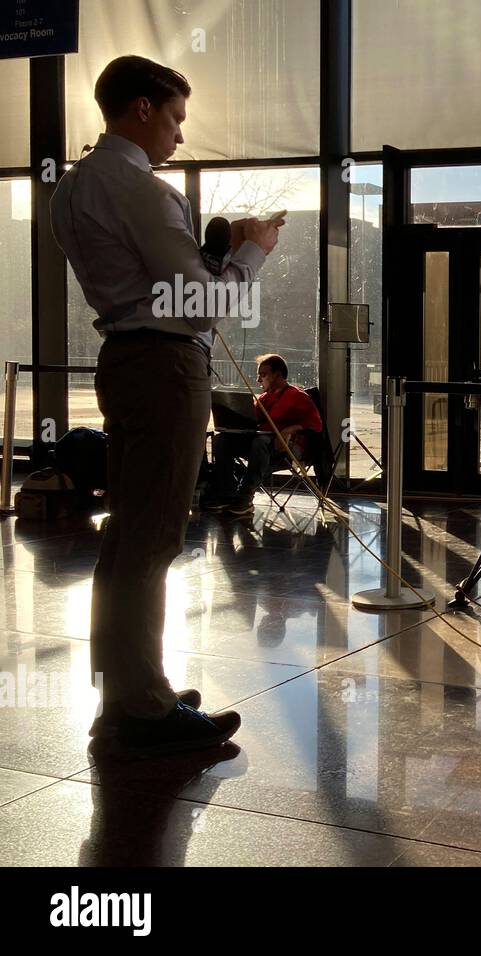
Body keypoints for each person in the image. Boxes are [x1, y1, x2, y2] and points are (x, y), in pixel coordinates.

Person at [50, 55, 283, 758]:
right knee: (151, 538)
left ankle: (125, 691)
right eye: (176, 117)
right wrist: (254, 253)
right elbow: (205, 306)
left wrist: (215, 250)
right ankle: (142, 709)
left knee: (126, 535)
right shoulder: (145, 193)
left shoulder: (73, 186)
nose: (180, 135)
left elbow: (158, 282)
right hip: (164, 365)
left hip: (124, 358)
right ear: (142, 109)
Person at [204, 353, 323, 516]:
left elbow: (316, 425)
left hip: (288, 446)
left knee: (260, 442)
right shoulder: (263, 399)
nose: (259, 380)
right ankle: (226, 493)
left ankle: (244, 497)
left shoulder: (298, 396)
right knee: (222, 440)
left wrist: (290, 429)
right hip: (262, 442)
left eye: (263, 375)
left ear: (278, 375)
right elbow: (252, 422)